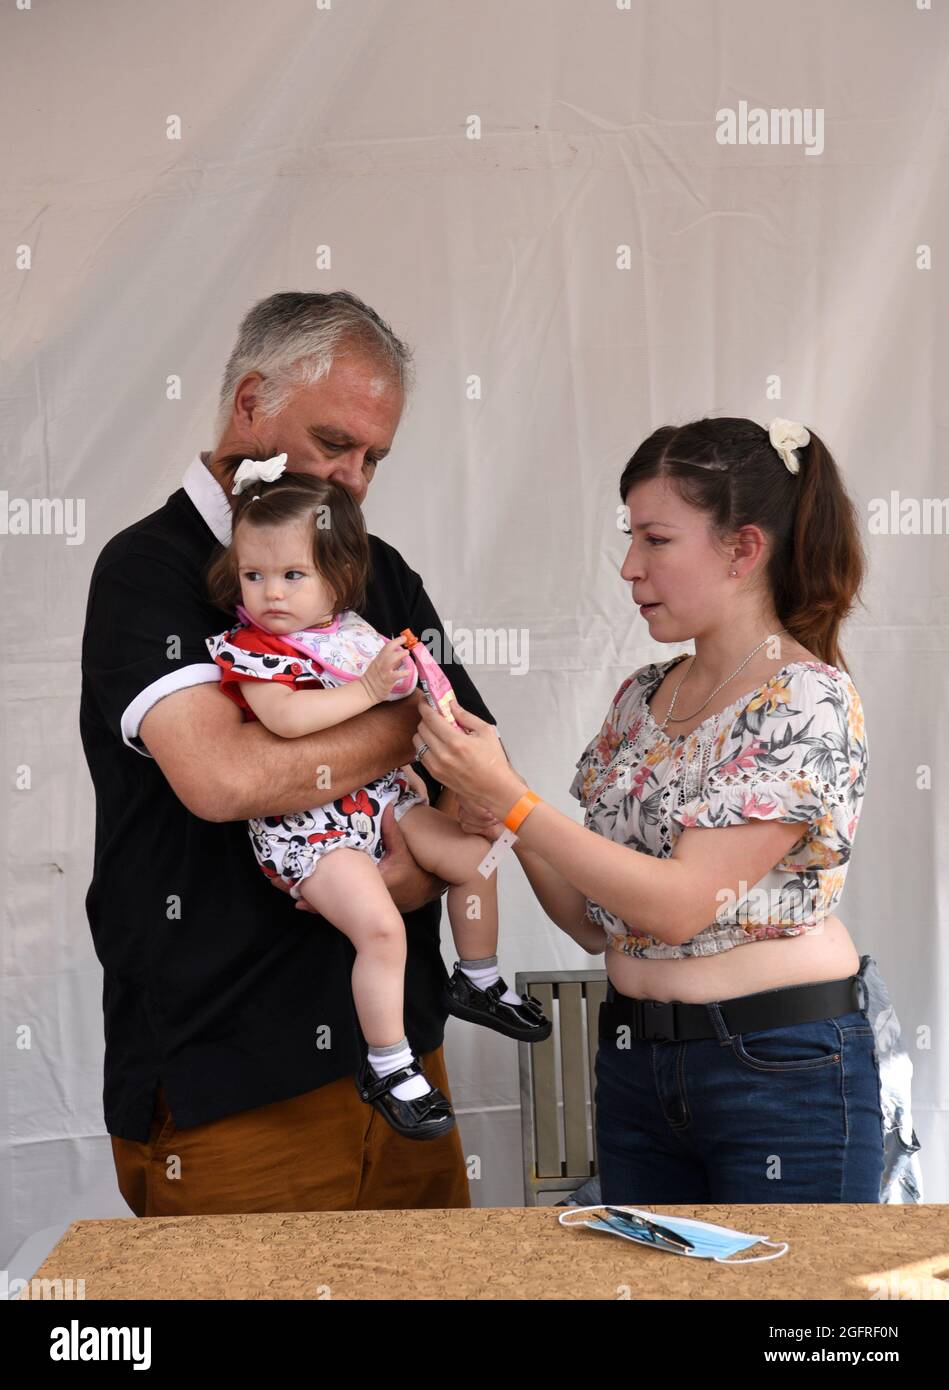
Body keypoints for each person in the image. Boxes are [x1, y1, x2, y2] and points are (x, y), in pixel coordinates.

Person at [80, 290, 505, 1214]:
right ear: (249, 404)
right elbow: (225, 779)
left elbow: (475, 761)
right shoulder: (147, 571)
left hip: (403, 1055)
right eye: (333, 442)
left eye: (373, 458)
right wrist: (398, 716)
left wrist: (417, 870)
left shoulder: (371, 562)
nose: (353, 478)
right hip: (228, 1081)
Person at [412, 415, 888, 1203]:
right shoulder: (642, 696)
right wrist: (497, 809)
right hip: (634, 1058)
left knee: (795, 1322)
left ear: (742, 549)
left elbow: (676, 910)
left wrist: (514, 799)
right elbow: (595, 920)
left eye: (656, 541)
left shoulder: (804, 699)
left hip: (778, 1069)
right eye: (629, 539)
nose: (629, 568)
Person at [201, 452, 550, 1140]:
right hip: (310, 832)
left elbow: (403, 715)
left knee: (480, 853)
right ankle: (389, 1063)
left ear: (339, 580)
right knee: (381, 928)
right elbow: (287, 721)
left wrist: (416, 764)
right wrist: (365, 693)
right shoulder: (255, 652)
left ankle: (475, 976)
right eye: (254, 574)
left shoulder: (354, 637)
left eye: (293, 575)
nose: (271, 592)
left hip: (380, 801)